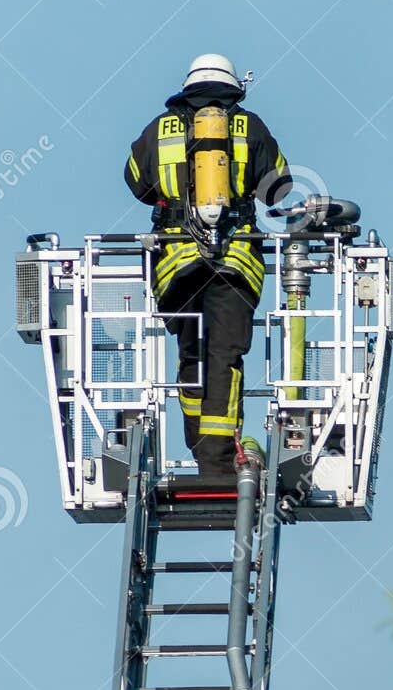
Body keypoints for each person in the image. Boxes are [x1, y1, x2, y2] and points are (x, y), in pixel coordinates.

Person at [124, 53, 290, 477]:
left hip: (176, 266)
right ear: (234, 87)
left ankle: (203, 452)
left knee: (192, 356)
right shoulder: (249, 125)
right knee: (225, 357)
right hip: (235, 263)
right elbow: (278, 187)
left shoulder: (158, 129)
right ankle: (217, 461)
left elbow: (137, 184)